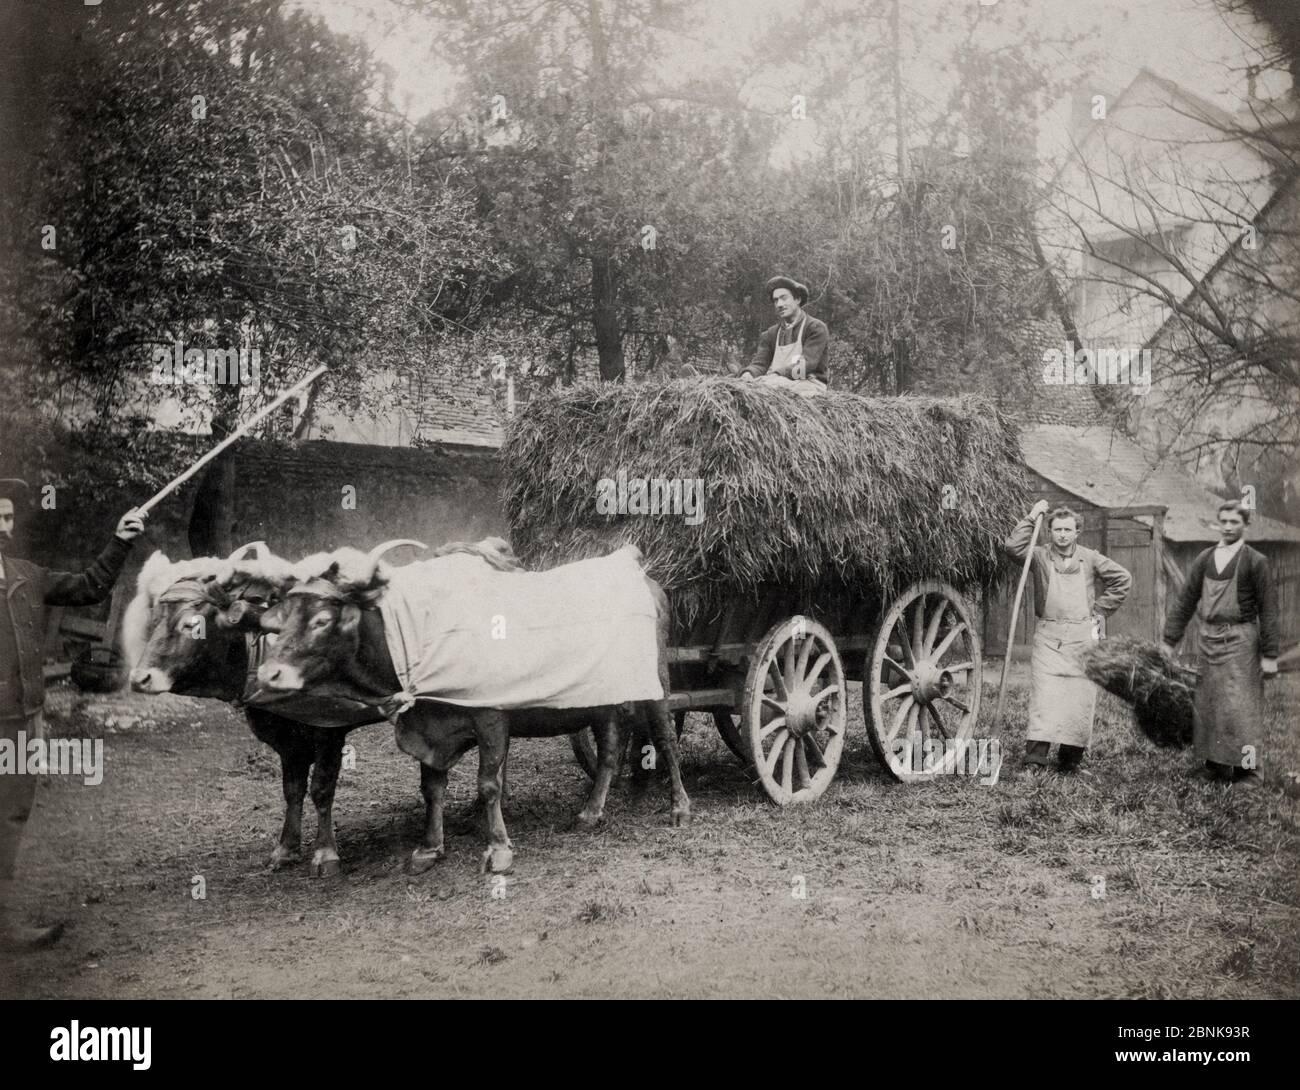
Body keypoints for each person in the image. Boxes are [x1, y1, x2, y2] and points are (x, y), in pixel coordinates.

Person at [0, 478, 146, 951]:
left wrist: (120, 541)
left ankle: (4, 926)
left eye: (7, 518)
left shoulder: (25, 574)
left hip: (21, 721)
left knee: (11, 818)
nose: (5, 527)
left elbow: (89, 585)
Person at [1005, 500, 1132, 774]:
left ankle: (1070, 761)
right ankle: (1035, 760)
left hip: (1082, 636)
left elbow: (1122, 579)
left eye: (1067, 529)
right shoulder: (1038, 556)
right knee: (1045, 697)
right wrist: (1031, 516)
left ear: (1077, 532)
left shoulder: (1090, 557)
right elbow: (1013, 548)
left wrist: (1099, 611)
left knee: (1079, 698)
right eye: (1057, 529)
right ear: (1049, 531)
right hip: (1049, 635)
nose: (1062, 534)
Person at [1162, 500, 1279, 789]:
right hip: (1209, 638)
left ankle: (1249, 771)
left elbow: (1269, 609)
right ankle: (1215, 766)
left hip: (1241, 639)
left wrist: (1270, 654)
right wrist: (1169, 640)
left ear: (1245, 525)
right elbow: (1186, 600)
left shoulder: (1255, 561)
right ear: (1218, 523)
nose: (1228, 527)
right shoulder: (1205, 558)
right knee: (1210, 703)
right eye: (1223, 521)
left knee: (1240, 706)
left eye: (1234, 522)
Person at [740, 276, 830, 395]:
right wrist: (749, 373)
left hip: (809, 383)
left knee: (767, 388)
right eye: (776, 300)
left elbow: (806, 364)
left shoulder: (815, 327)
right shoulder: (770, 334)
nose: (779, 304)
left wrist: (776, 375)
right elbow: (760, 363)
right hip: (777, 382)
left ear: (797, 299)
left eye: (784, 298)